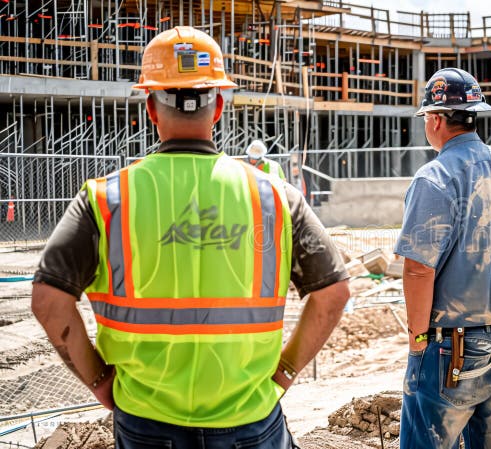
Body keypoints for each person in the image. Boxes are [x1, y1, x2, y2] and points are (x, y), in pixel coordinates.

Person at [31, 26, 350, 449]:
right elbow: (334, 293)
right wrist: (286, 370)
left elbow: (48, 301)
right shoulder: (276, 197)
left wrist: (98, 380)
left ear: (150, 107)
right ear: (218, 106)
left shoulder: (105, 199)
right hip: (249, 417)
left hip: (146, 420)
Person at [395, 67, 491, 449]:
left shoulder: (435, 177)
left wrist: (418, 343)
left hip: (453, 350)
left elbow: (417, 270)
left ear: (434, 119)